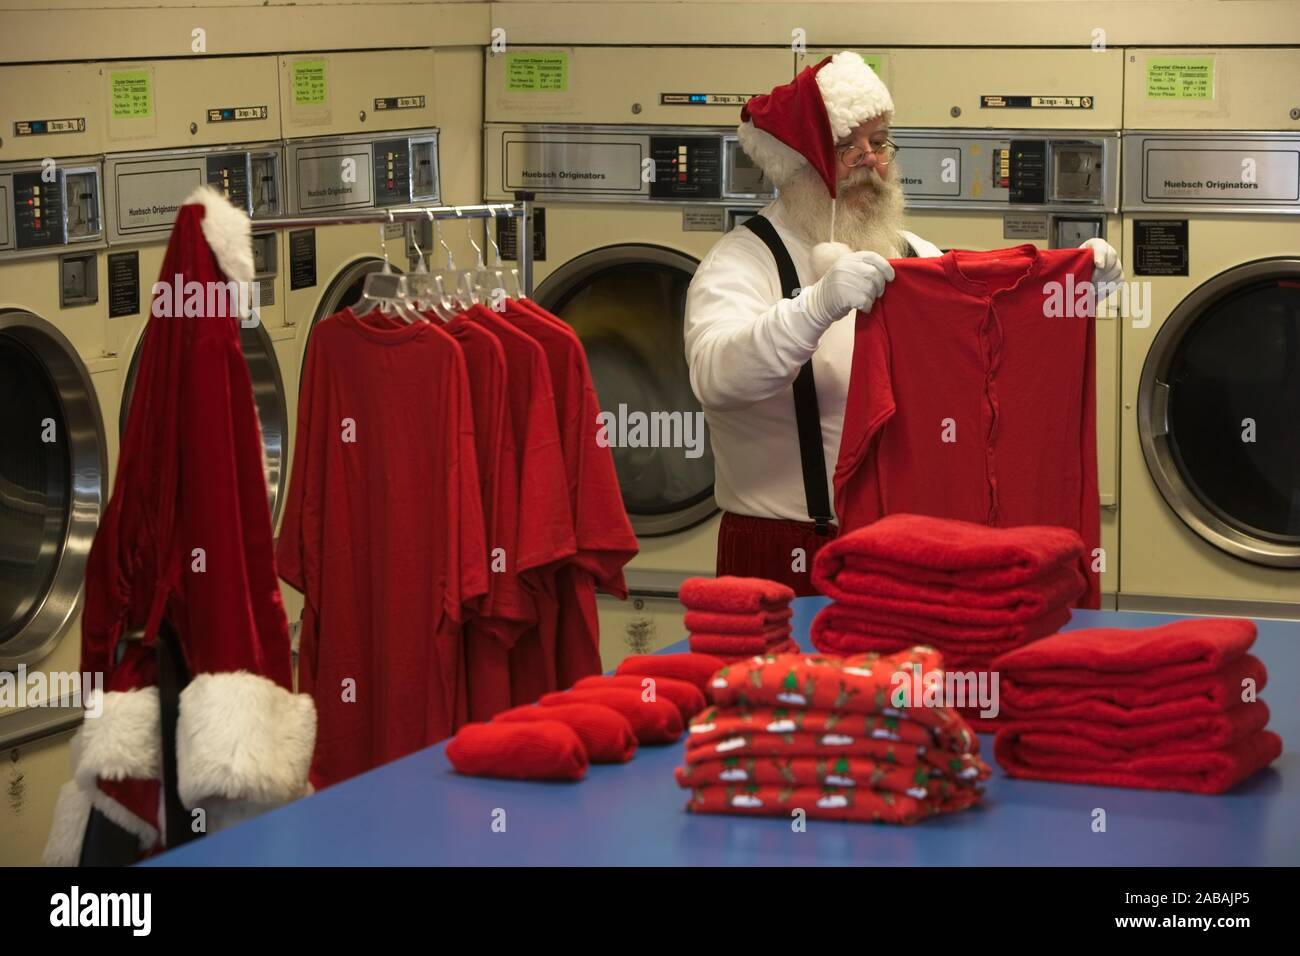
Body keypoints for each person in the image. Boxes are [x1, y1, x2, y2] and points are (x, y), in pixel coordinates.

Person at [683, 51, 1123, 595]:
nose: (872, 161)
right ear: (798, 163)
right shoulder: (743, 260)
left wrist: (1068, 292)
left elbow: (987, 352)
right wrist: (814, 308)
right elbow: (716, 378)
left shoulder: (914, 254)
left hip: (906, 549)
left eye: (881, 142)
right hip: (787, 551)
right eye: (848, 148)